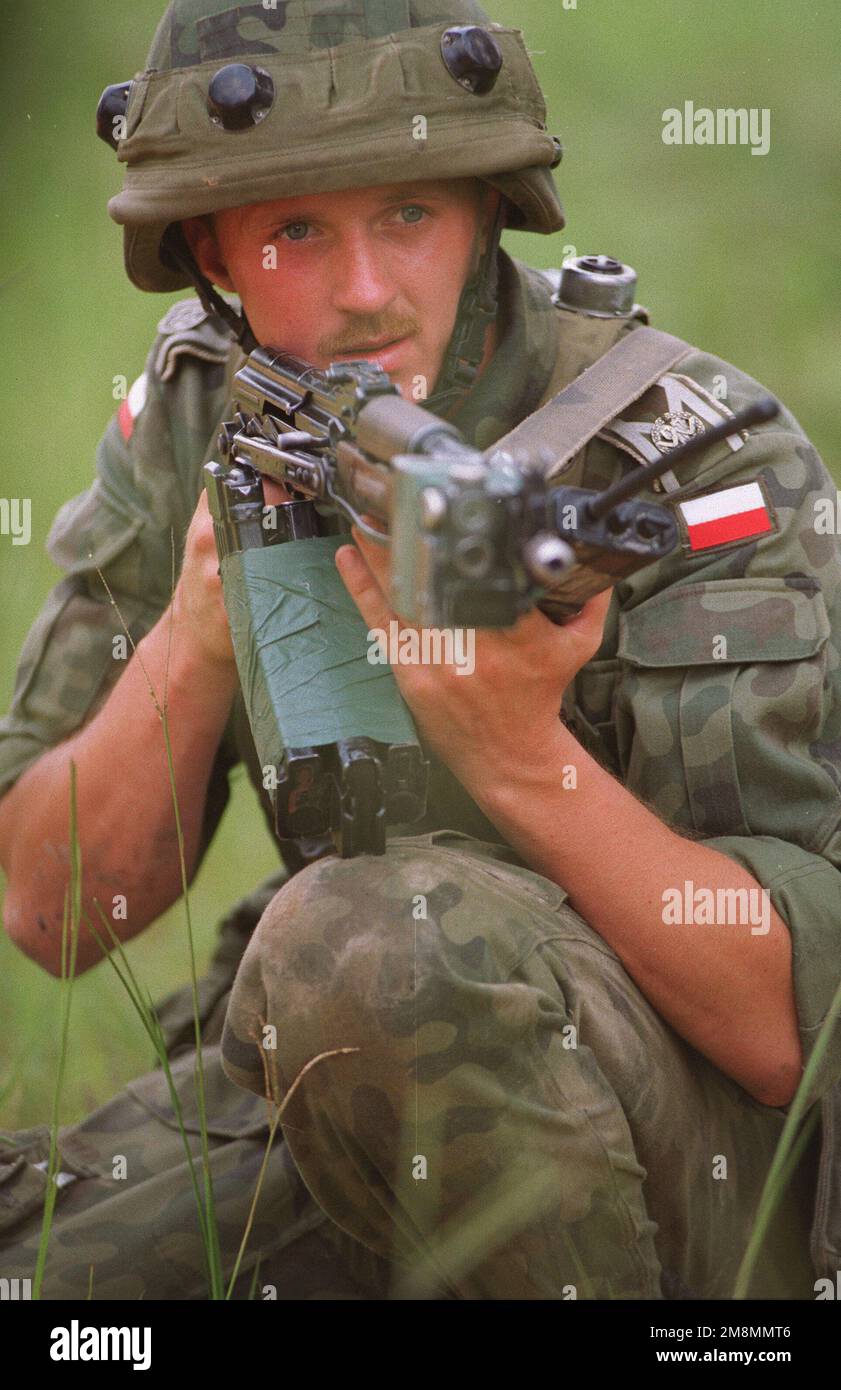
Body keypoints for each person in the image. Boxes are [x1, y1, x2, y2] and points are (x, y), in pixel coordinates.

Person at [0, 0, 839, 1301]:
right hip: (384, 1077)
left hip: (728, 1166)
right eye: (295, 231)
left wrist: (516, 758)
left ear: (487, 208)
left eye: (409, 213)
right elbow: (55, 913)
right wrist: (202, 623)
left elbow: (797, 1039)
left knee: (372, 938)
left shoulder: (685, 463)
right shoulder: (203, 415)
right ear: (213, 255)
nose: (365, 292)